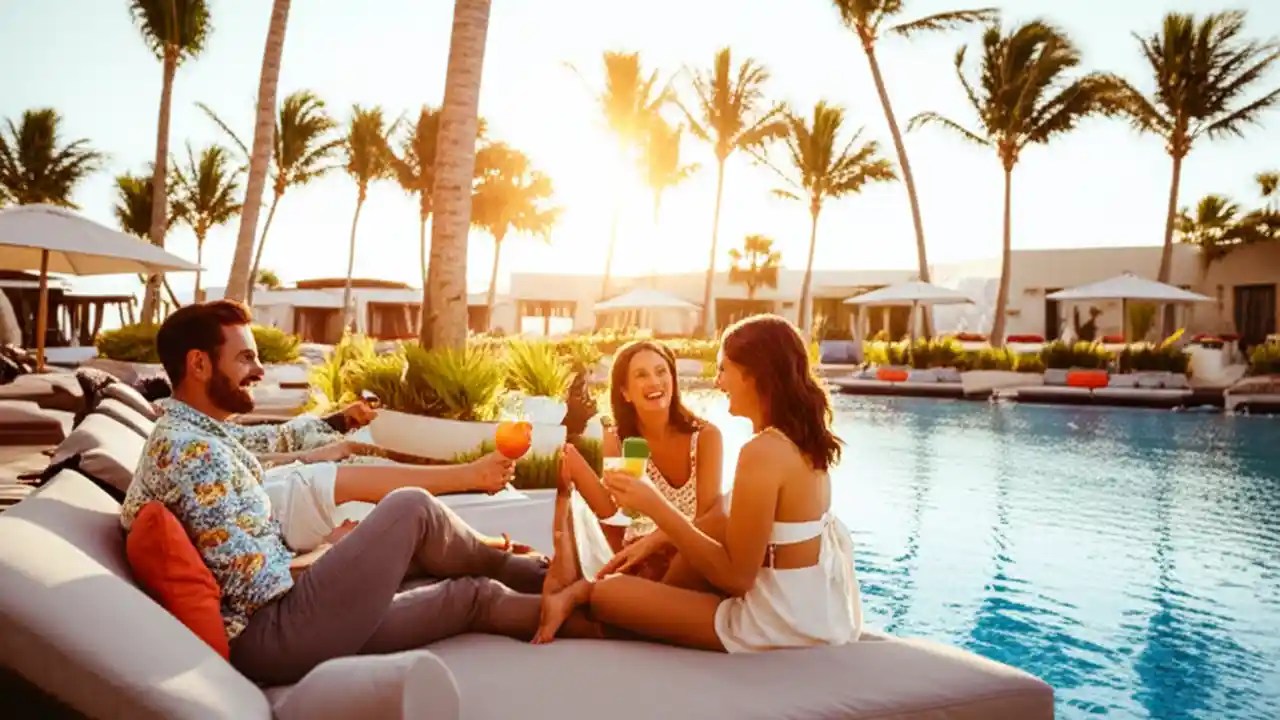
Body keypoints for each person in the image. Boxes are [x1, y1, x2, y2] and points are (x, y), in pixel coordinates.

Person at [120, 300, 596, 686]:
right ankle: (587, 597)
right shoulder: (192, 454)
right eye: (246, 357)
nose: (260, 371)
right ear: (199, 364)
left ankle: (562, 583)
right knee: (412, 515)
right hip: (275, 631)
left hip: (278, 617)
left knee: (446, 573)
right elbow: (257, 586)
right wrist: (331, 551)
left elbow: (272, 440)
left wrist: (339, 423)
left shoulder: (197, 432)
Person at [534, 314, 863, 651]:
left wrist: (654, 505)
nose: (718, 382)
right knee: (644, 575)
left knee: (607, 592)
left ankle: (581, 592)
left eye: (723, 370)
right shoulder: (798, 442)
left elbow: (737, 579)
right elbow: (721, 521)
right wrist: (655, 541)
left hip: (778, 619)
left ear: (753, 374)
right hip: (811, 606)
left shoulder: (760, 451)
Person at [546, 339, 723, 590]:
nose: (654, 382)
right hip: (640, 554)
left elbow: (707, 518)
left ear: (673, 379)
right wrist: (571, 472)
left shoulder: (705, 436)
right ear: (625, 392)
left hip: (690, 553)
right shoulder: (619, 438)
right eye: (641, 375)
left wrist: (656, 540)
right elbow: (616, 514)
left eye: (661, 372)